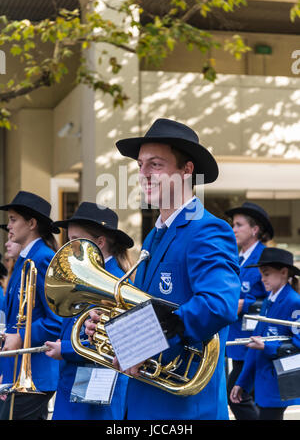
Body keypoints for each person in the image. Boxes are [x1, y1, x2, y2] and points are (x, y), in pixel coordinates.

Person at [86, 118, 241, 420]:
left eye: (155, 164)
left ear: (186, 170)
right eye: (140, 165)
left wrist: (139, 338)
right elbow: (146, 309)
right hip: (145, 404)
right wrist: (111, 330)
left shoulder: (208, 229)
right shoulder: (156, 235)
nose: (143, 174)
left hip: (185, 411)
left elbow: (219, 304)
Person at [45, 201, 133, 420]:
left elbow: (111, 344)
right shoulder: (88, 275)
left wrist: (64, 349)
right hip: (78, 380)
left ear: (100, 242)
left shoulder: (115, 281)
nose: (68, 248)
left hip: (99, 385)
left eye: (74, 241)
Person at [0, 190, 62, 420]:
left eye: (14, 219)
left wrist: (21, 336)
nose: (9, 226)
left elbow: (56, 321)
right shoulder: (25, 260)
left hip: (35, 372)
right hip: (17, 370)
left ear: (32, 223)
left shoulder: (43, 258)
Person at [230, 247, 300, 420]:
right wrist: (242, 382)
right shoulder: (269, 300)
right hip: (264, 383)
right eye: (261, 274)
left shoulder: (293, 302)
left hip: (278, 384)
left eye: (266, 274)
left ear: (284, 272)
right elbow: (255, 346)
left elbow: (298, 344)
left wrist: (266, 346)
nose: (262, 279)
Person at [225, 201, 274, 420]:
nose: (233, 229)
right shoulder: (237, 258)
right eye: (233, 224)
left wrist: (244, 305)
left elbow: (276, 302)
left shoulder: (266, 258)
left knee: (237, 396)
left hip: (256, 340)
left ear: (254, 230)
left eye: (239, 225)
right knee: (242, 397)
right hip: (237, 341)